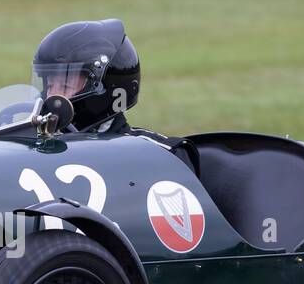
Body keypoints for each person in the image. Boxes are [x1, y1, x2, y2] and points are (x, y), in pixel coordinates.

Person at [32, 18, 199, 173]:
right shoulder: (32, 148)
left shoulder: (161, 155)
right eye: (50, 85)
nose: (52, 95)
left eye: (66, 85)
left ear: (108, 89)